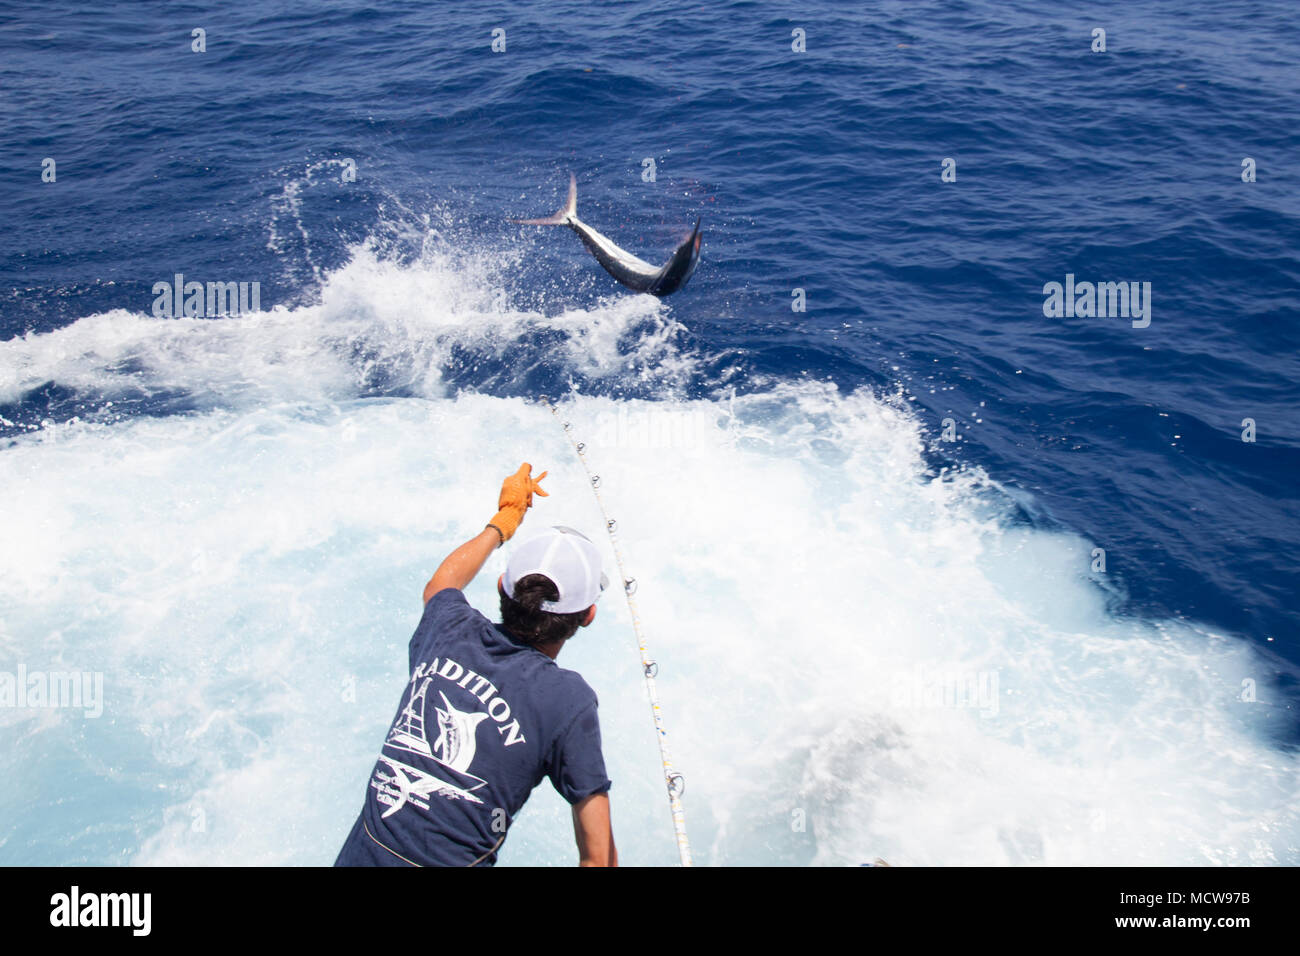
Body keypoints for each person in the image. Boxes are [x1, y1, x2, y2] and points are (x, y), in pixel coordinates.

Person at [334, 463, 617, 867]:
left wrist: (503, 523)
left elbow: (441, 585)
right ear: (587, 615)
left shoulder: (449, 629)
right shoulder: (568, 701)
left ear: (503, 587)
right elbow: (598, 857)